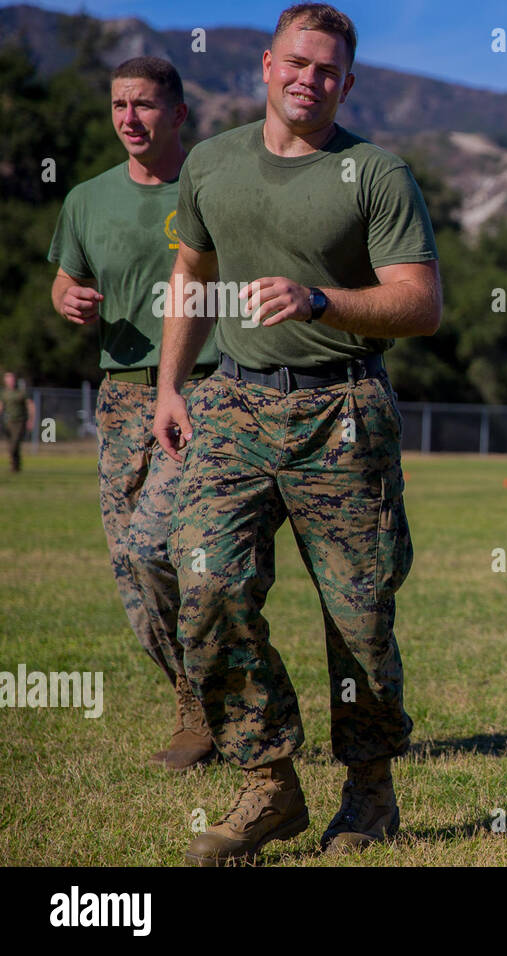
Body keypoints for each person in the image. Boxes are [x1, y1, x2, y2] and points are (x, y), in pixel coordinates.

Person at [151, 2, 441, 865]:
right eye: (297, 63)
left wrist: (323, 299)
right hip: (232, 407)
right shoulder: (210, 163)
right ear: (267, 66)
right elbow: (191, 271)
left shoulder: (376, 173)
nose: (309, 79)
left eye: (328, 70)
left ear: (345, 83)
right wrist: (170, 383)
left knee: (357, 620)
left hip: (343, 410)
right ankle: (269, 783)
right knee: (204, 585)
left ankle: (370, 792)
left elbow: (420, 304)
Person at [47, 57, 220, 769]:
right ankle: (194, 698)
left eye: (145, 105)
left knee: (163, 548)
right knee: (130, 564)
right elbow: (66, 277)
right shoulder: (86, 199)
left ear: (179, 114)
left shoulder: (211, 190)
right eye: (120, 105)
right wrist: (65, 298)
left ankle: (228, 697)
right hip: (121, 396)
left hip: (207, 389)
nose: (130, 119)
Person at [1, 371, 34, 472]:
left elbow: (31, 405)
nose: (10, 381)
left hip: (19, 422)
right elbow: (1, 406)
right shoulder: (4, 393)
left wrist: (31, 420)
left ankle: (15, 465)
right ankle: (15, 466)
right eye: (8, 379)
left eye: (11, 379)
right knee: (11, 445)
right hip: (8, 422)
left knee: (14, 444)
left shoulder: (21, 392)